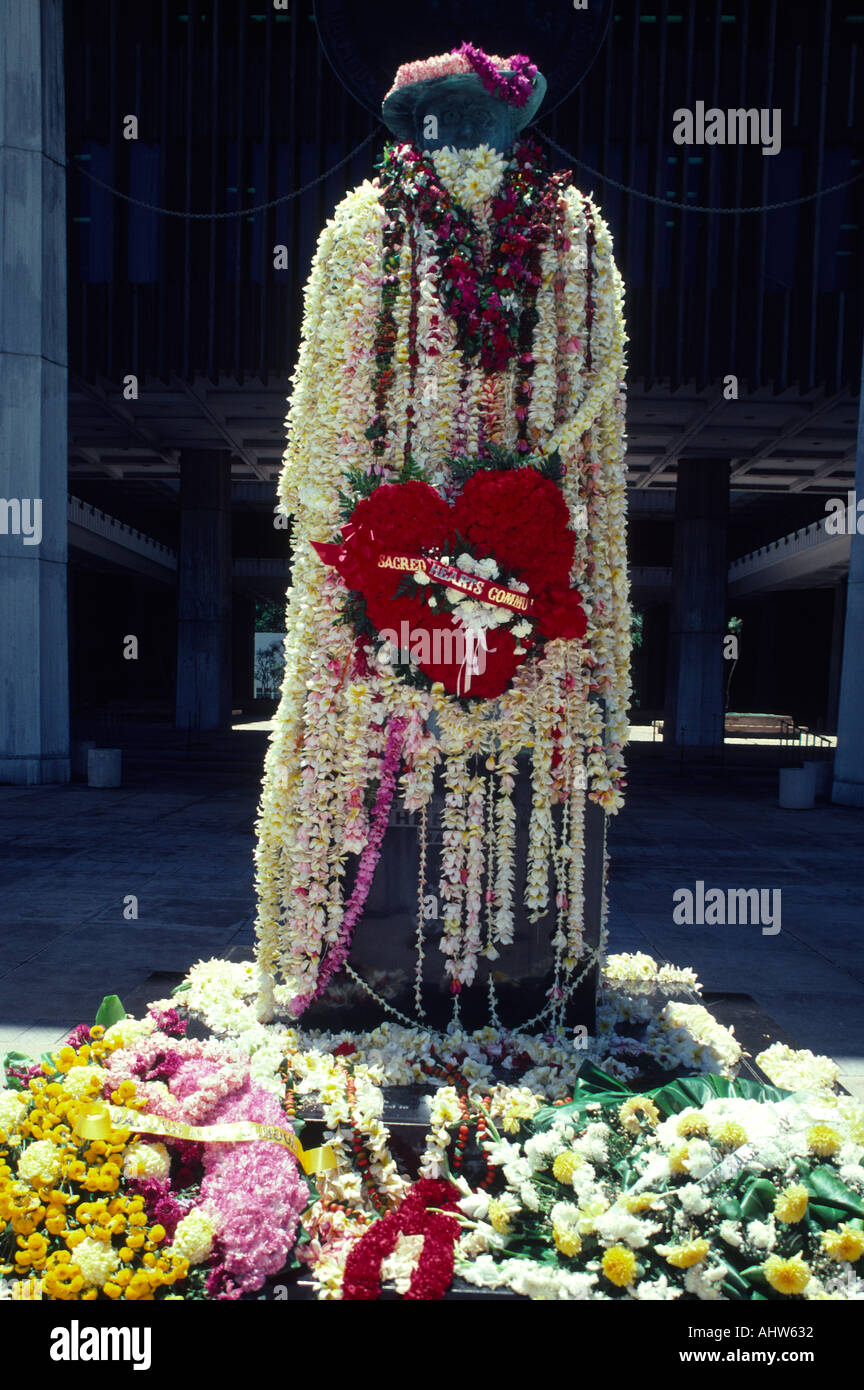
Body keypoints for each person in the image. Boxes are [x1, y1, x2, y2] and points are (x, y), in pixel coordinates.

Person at [254, 44, 630, 1028]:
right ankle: (415, 961)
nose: (465, 140)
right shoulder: (364, 234)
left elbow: (590, 436)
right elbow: (336, 422)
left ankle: (506, 968)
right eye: (452, 119)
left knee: (501, 759)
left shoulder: (571, 233)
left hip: (512, 574)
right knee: (407, 744)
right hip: (416, 569)